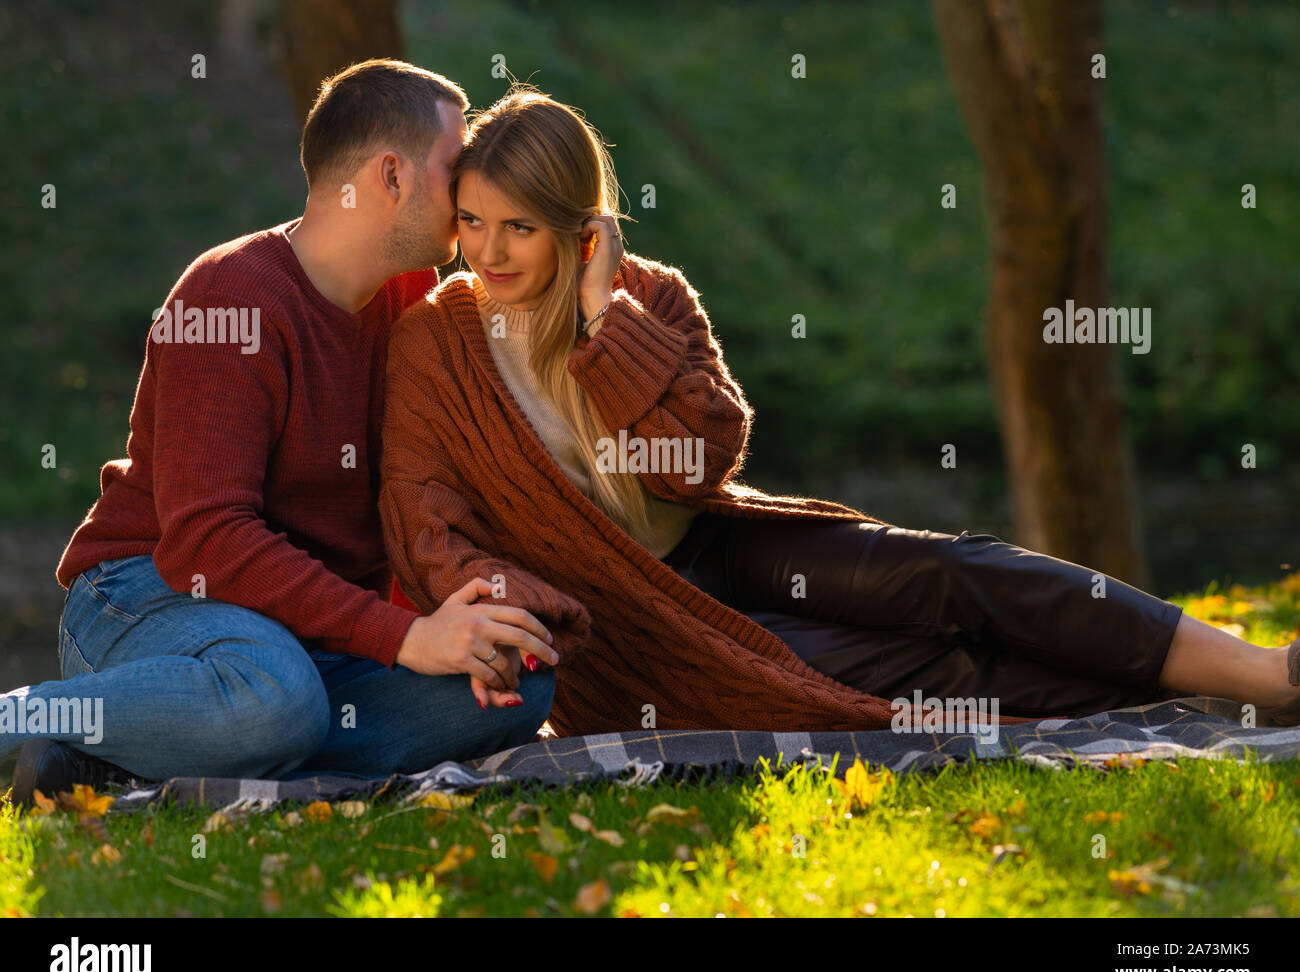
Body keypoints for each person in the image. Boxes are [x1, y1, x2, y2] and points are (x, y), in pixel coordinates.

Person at [380, 83, 1300, 737]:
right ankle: (1174, 708)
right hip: (628, 620)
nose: (486, 253)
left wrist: (602, 321)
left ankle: (1266, 673)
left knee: (955, 576)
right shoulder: (435, 342)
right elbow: (426, 525)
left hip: (712, 544)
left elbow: (702, 464)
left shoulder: (647, 296)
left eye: (519, 228)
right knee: (921, 675)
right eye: (471, 221)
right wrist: (519, 610)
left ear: (583, 230)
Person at [3, 60, 559, 809]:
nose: (470, 191)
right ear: (390, 176)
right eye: (453, 167)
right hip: (148, 593)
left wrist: (449, 631)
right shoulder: (229, 298)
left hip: (302, 632)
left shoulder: (413, 304)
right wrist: (401, 638)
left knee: (513, 678)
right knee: (275, 697)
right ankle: (25, 721)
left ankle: (134, 757)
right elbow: (208, 538)